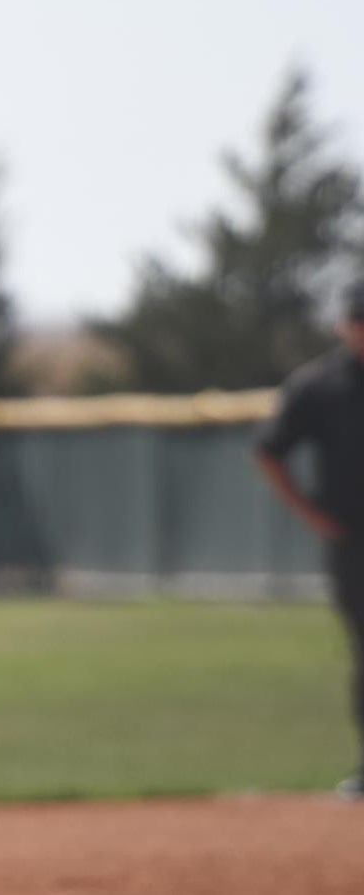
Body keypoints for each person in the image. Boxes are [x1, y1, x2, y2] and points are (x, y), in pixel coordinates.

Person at [254, 278, 364, 800]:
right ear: (345, 323)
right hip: (354, 540)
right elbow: (268, 450)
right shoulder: (320, 385)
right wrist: (309, 513)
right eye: (359, 320)